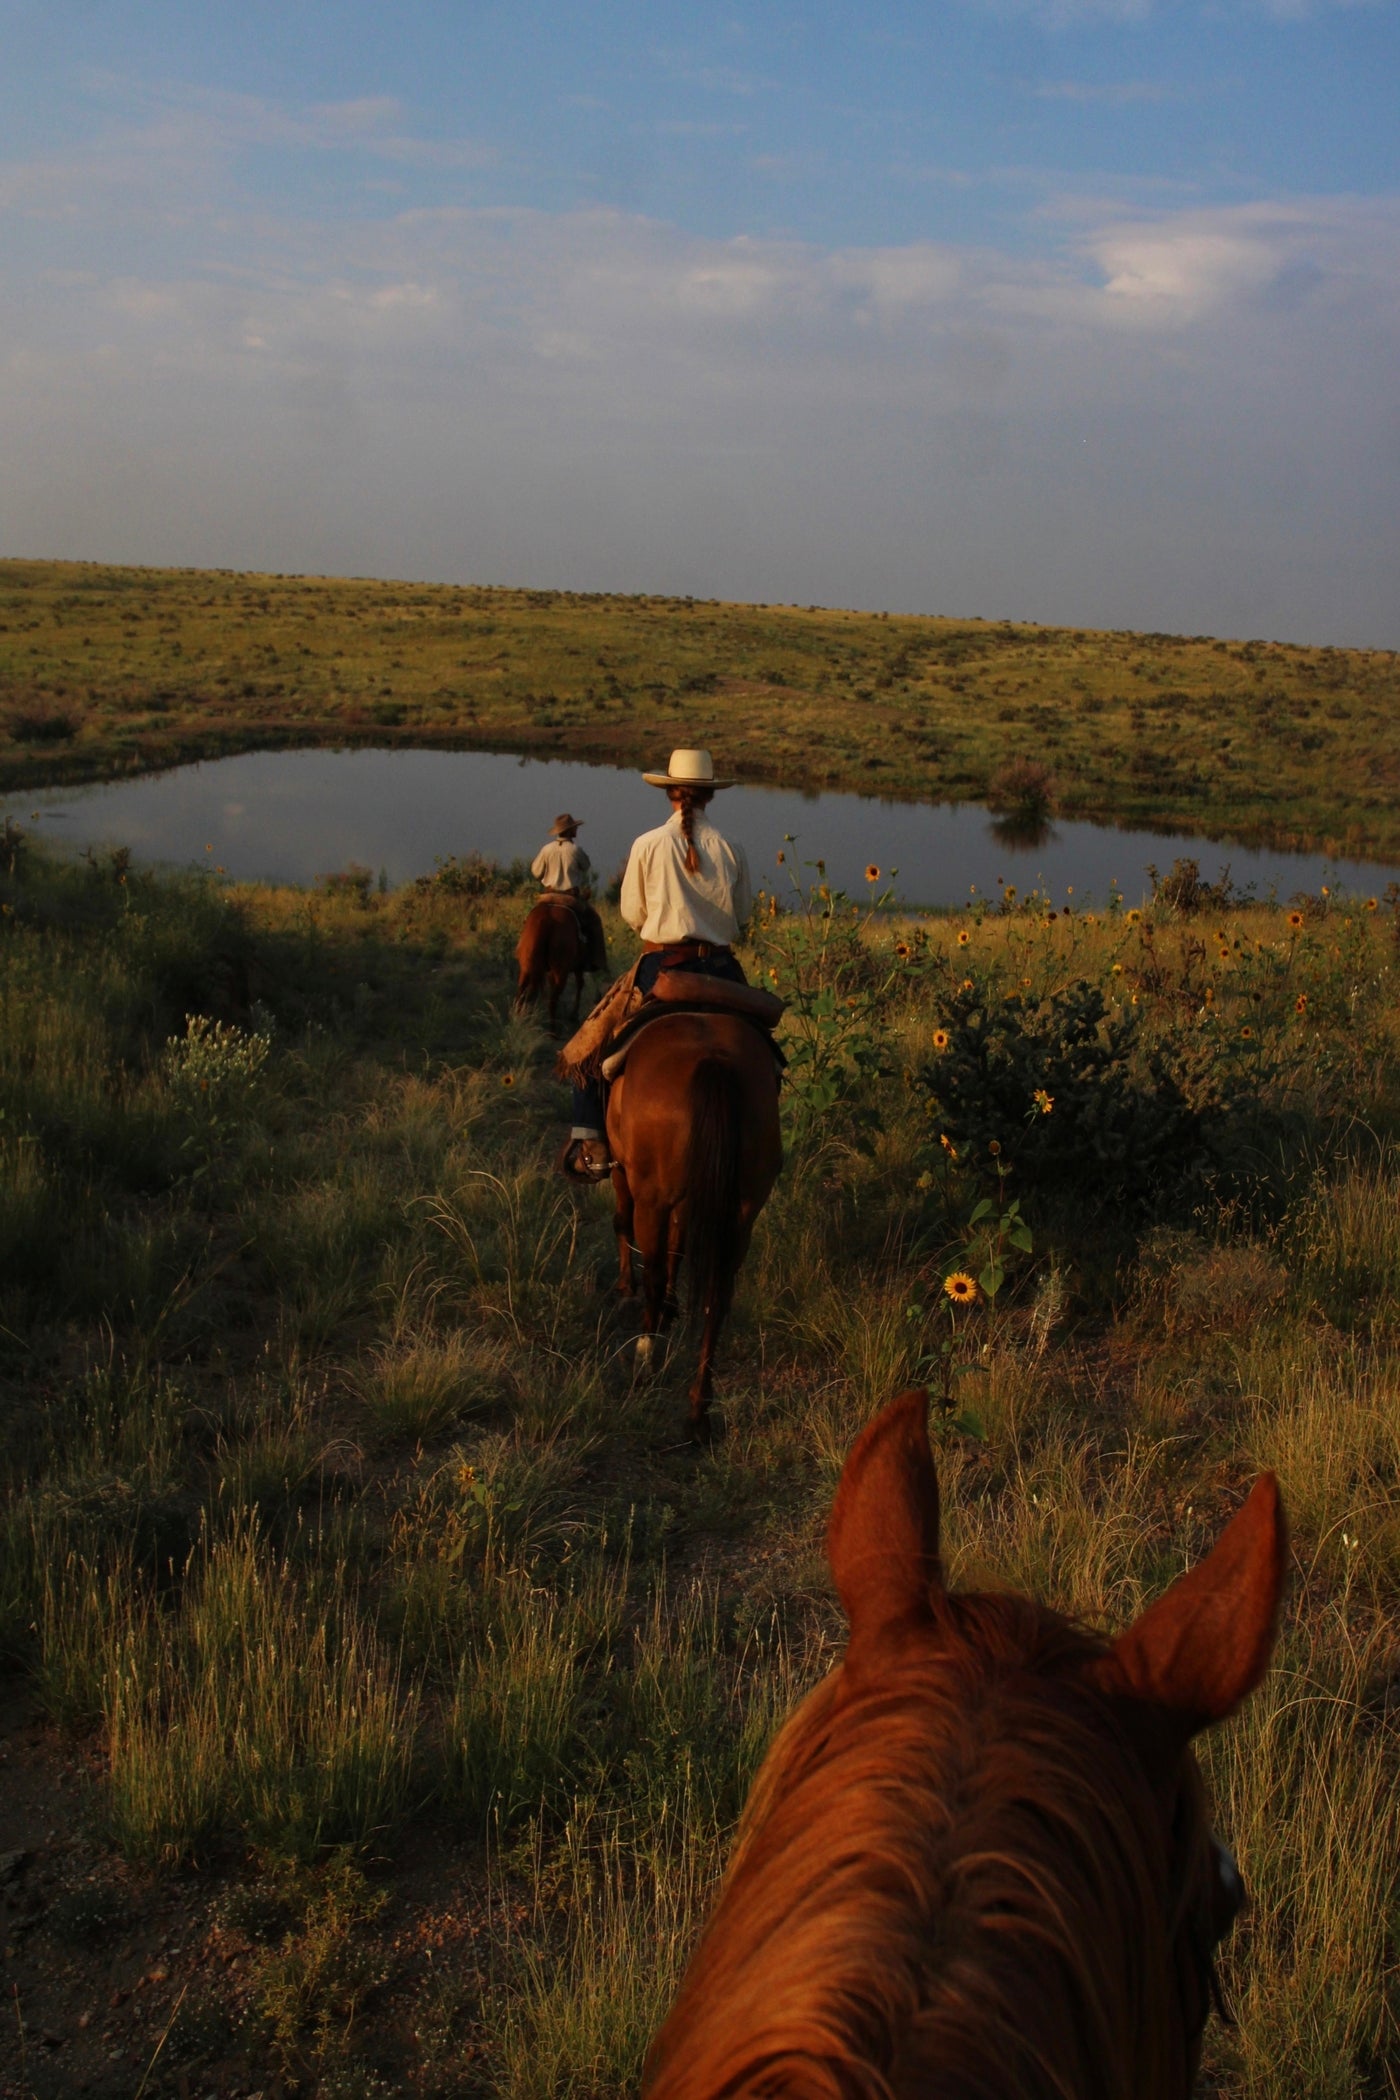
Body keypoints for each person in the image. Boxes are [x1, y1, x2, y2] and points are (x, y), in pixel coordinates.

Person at [559, 749, 752, 1182]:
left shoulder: (647, 844)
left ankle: (591, 1144)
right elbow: (741, 917)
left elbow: (633, 913)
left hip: (662, 967)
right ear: (709, 797)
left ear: (669, 793)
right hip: (721, 971)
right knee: (765, 1051)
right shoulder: (731, 847)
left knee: (590, 1048)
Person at [531, 813, 607, 974]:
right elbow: (586, 866)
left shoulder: (546, 849)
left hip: (548, 895)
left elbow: (536, 872)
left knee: (530, 920)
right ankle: (595, 961)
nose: (576, 831)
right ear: (570, 831)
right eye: (574, 828)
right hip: (569, 897)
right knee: (594, 921)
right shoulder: (575, 850)